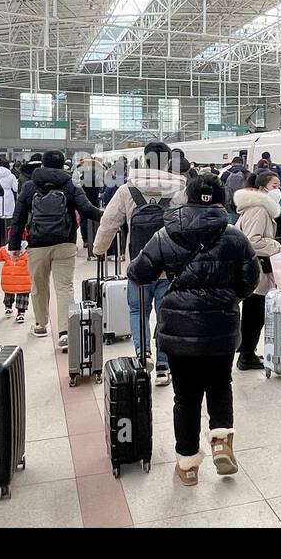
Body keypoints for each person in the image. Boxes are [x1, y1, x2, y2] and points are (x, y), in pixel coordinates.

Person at [127, 174, 259, 486]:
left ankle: (187, 465)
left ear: (186, 198)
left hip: (177, 330)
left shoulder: (165, 234)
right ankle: (221, 443)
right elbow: (250, 281)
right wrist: (228, 299)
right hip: (221, 329)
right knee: (219, 385)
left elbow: (139, 272)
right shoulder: (235, 237)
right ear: (221, 200)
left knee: (185, 398)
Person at [93, 141, 187, 385]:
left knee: (137, 311)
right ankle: (164, 367)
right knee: (167, 314)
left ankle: (142, 353)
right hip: (171, 266)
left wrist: (99, 249)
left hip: (139, 264)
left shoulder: (127, 189)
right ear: (168, 162)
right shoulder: (180, 189)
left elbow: (109, 222)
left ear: (145, 160)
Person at [7, 150, 103, 348]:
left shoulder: (29, 186)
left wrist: (14, 245)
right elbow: (87, 210)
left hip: (37, 244)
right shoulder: (70, 185)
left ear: (42, 164)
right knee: (64, 287)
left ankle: (41, 325)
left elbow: (18, 218)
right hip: (65, 243)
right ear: (63, 166)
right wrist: (109, 217)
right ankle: (65, 332)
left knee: (38, 286)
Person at [233, 171, 281, 371]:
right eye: (275, 186)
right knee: (254, 314)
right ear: (263, 188)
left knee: (253, 312)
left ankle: (247, 352)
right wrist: (277, 246)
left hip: (253, 269)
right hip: (255, 271)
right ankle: (246, 355)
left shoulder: (255, 207)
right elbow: (252, 241)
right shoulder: (259, 209)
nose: (278, 190)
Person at [75, 154, 106, 258]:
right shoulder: (97, 176)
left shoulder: (82, 177)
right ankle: (94, 239)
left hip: (83, 201)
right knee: (95, 220)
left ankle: (86, 240)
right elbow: (101, 187)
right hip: (94, 201)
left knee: (84, 220)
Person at [0, 158, 18, 251]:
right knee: (7, 221)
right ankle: (6, 242)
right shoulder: (11, 176)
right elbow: (15, 188)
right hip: (8, 197)